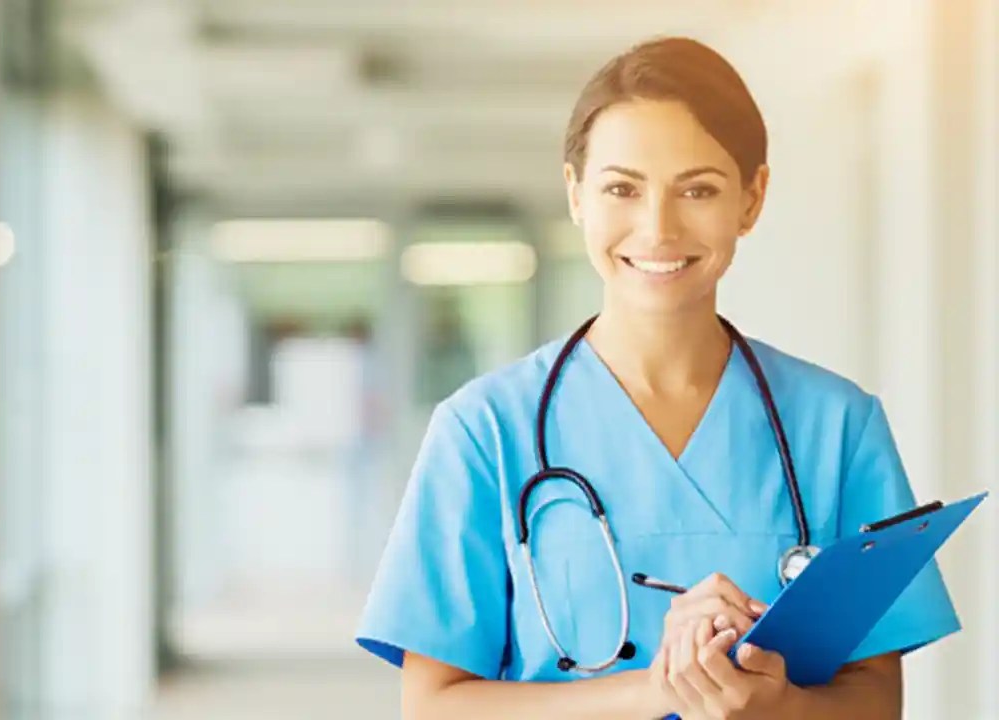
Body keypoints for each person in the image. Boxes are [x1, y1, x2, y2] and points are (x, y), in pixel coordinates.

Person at [354, 36, 959, 719]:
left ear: (752, 200)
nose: (658, 227)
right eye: (622, 188)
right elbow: (434, 707)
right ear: (576, 195)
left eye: (698, 189)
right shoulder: (484, 429)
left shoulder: (839, 427)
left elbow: (876, 701)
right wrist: (657, 690)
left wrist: (778, 708)